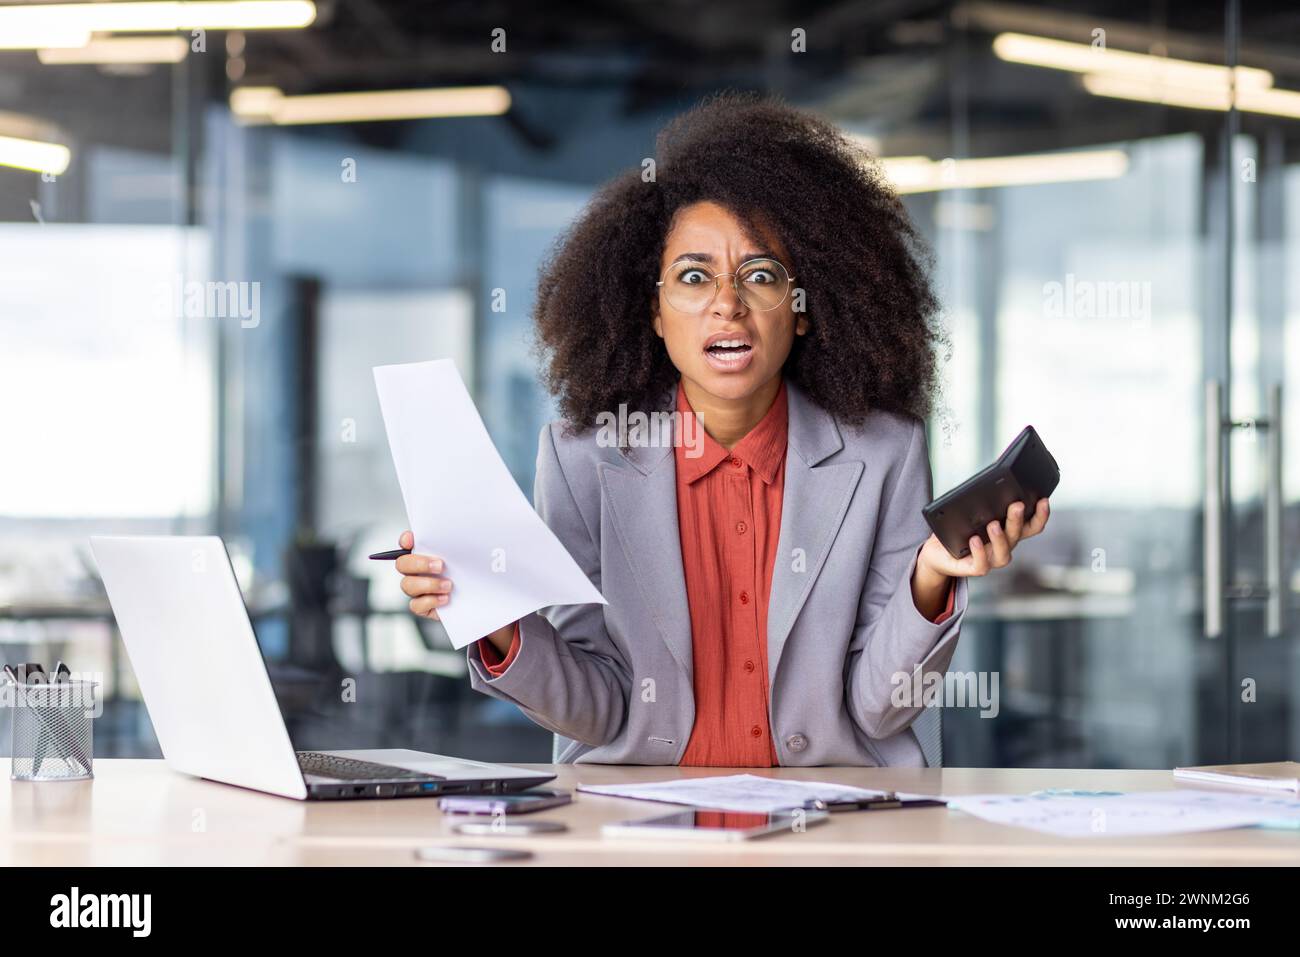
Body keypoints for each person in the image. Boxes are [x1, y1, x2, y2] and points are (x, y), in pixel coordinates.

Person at [394, 93, 1049, 766]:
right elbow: (597, 709)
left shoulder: (884, 452)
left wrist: (931, 574)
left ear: (801, 309)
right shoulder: (582, 460)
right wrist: (494, 617)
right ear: (652, 310)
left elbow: (877, 705)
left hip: (829, 820)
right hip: (641, 821)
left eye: (760, 275)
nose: (727, 304)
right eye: (693, 276)